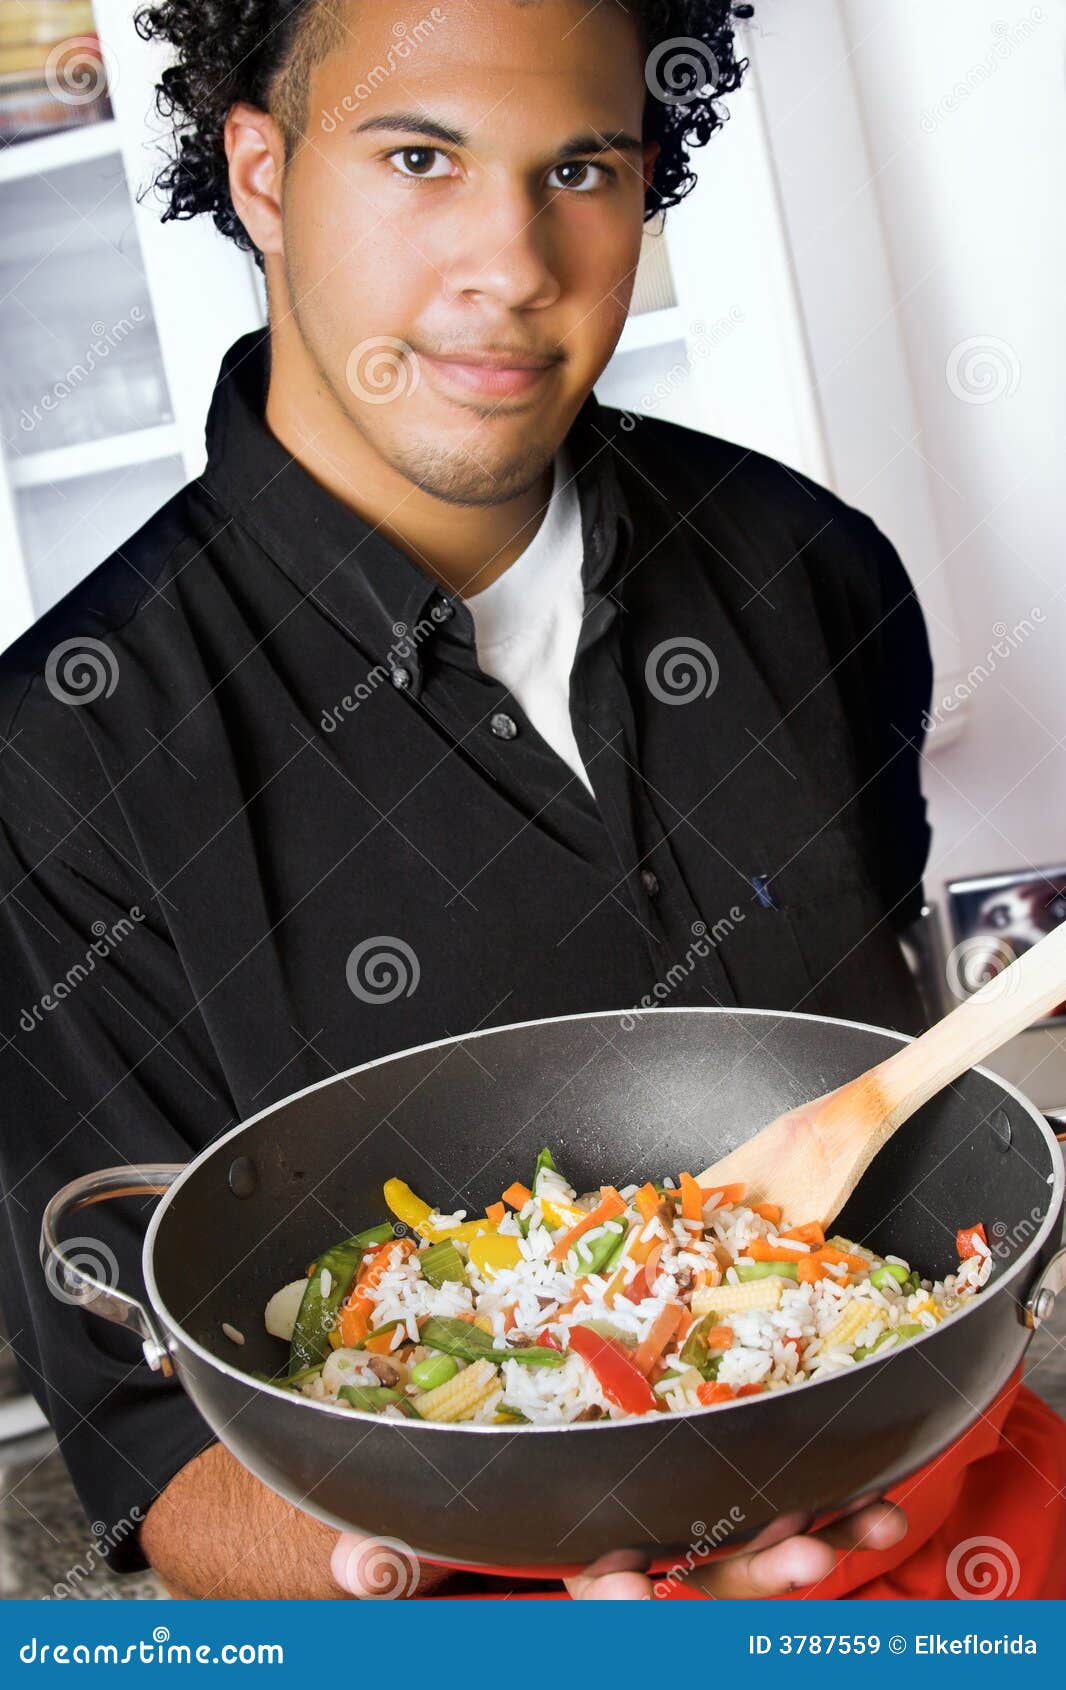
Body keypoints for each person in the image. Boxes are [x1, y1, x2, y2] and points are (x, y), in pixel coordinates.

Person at [1, 0, 1062, 1602]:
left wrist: (918, 1422)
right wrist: (494, 1567)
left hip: (984, 1550)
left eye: (579, 166)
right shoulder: (60, 757)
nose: (511, 262)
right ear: (263, 171)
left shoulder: (812, 573)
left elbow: (930, 1151)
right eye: (419, 156)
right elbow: (161, 1458)